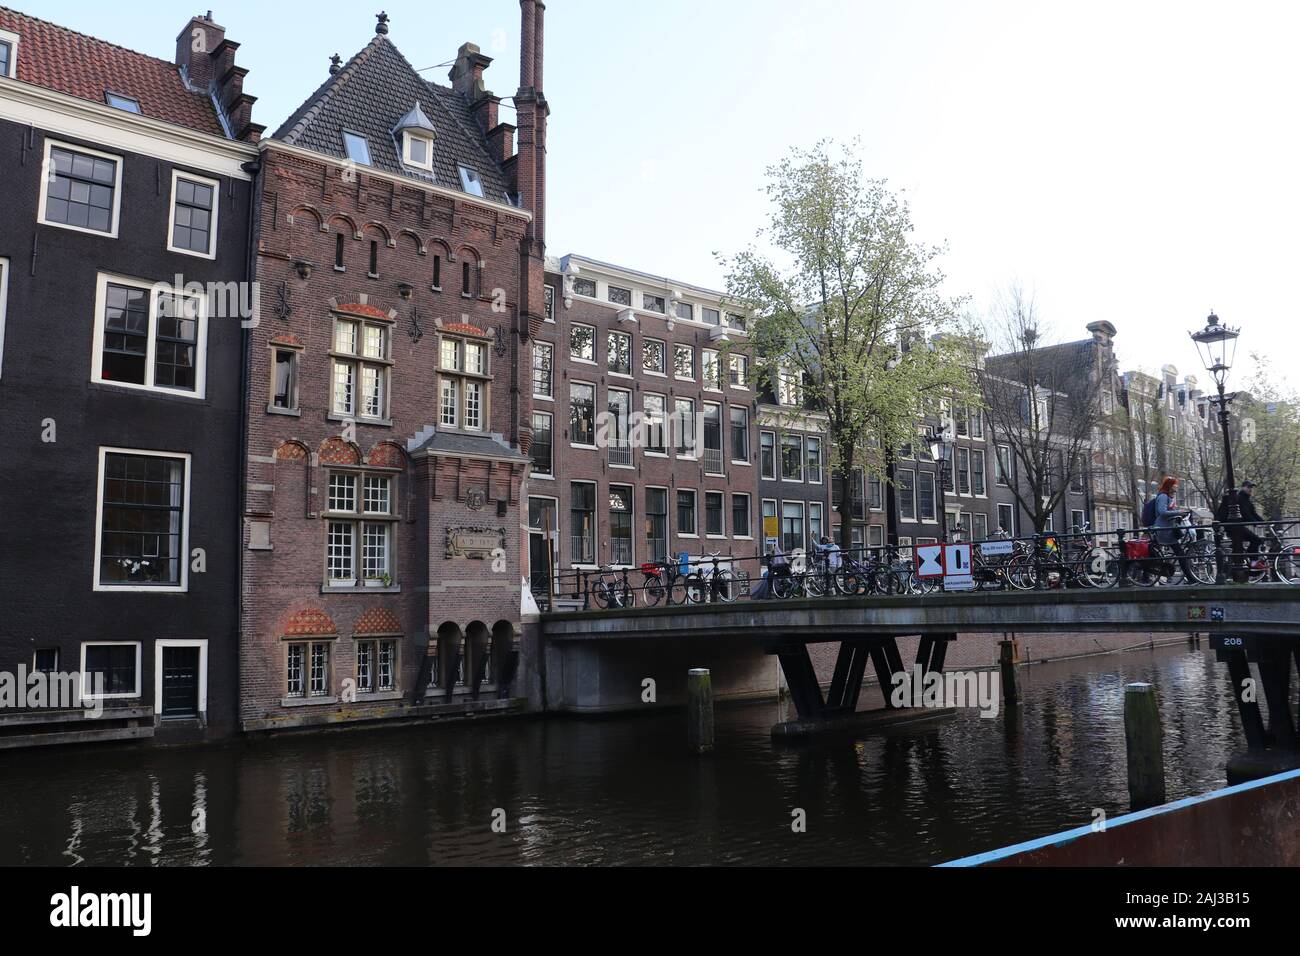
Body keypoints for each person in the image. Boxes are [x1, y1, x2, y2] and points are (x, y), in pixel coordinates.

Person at [1149, 476, 1198, 582]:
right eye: (1175, 484)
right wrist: (1178, 512)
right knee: (1180, 554)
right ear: (1170, 486)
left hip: (1170, 529)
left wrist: (1180, 512)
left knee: (1179, 554)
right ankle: (1190, 578)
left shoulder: (1170, 497)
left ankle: (1189, 578)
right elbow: (1162, 512)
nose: (1177, 486)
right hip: (1164, 529)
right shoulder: (1163, 496)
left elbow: (1171, 511)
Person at [1216, 479, 1267, 570]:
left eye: (1251, 487)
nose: (1250, 489)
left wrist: (1265, 523)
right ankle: (1253, 562)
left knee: (1254, 540)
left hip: (1238, 526)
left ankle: (1247, 558)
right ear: (1243, 488)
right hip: (1232, 527)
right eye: (1248, 487)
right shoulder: (1239, 498)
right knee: (1256, 540)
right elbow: (1246, 514)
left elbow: (1253, 513)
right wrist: (1256, 524)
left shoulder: (1247, 500)